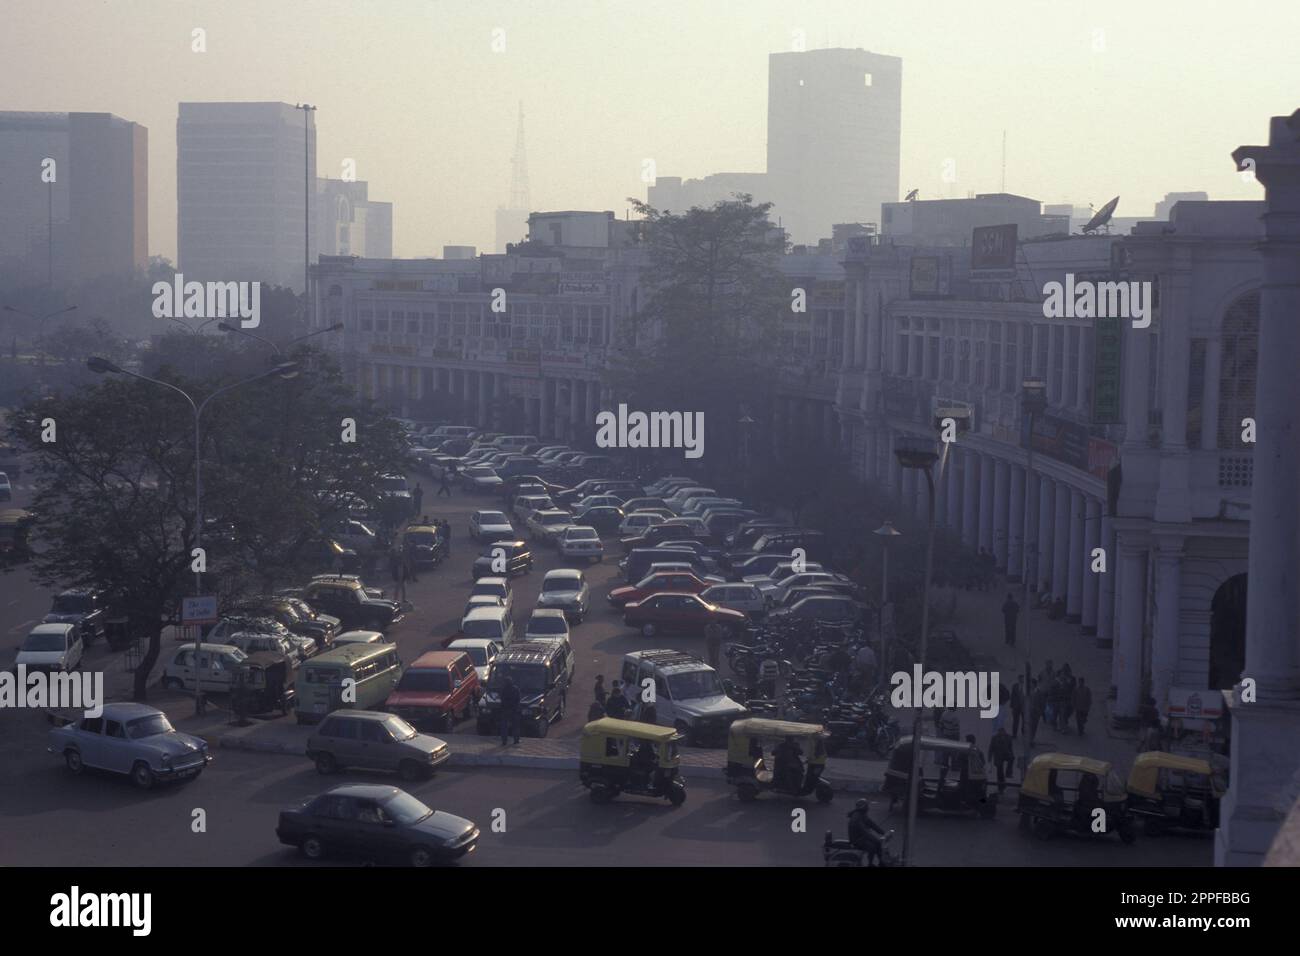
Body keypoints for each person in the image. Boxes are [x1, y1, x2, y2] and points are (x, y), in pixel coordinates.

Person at [847, 799, 889, 867]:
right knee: (873, 846)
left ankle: (881, 862)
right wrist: (875, 839)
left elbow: (872, 824)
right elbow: (865, 832)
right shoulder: (856, 817)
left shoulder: (862, 815)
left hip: (861, 837)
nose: (868, 808)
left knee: (877, 843)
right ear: (863, 807)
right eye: (867, 806)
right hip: (856, 840)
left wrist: (883, 832)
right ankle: (870, 864)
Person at [988, 726, 1015, 793]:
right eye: (1000, 732)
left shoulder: (1008, 737)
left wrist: (1011, 754)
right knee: (1000, 772)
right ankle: (1001, 786)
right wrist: (989, 758)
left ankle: (1008, 772)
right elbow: (991, 749)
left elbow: (1010, 747)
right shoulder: (994, 738)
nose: (1002, 733)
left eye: (1003, 732)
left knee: (1011, 758)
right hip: (998, 756)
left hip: (1006, 754)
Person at [498, 674, 521, 745]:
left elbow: (501, 698)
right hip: (514, 710)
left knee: (504, 727)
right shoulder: (515, 689)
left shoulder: (503, 689)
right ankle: (516, 740)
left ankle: (504, 741)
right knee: (515, 726)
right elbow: (518, 699)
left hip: (505, 710)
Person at [1027, 678, 1045, 746]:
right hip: (1029, 712)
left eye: (1031, 683)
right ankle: (1029, 739)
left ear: (1034, 684)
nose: (1030, 685)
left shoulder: (1039, 692)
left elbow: (1042, 702)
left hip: (1036, 713)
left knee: (1034, 727)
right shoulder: (1028, 691)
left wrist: (1040, 712)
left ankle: (1031, 739)